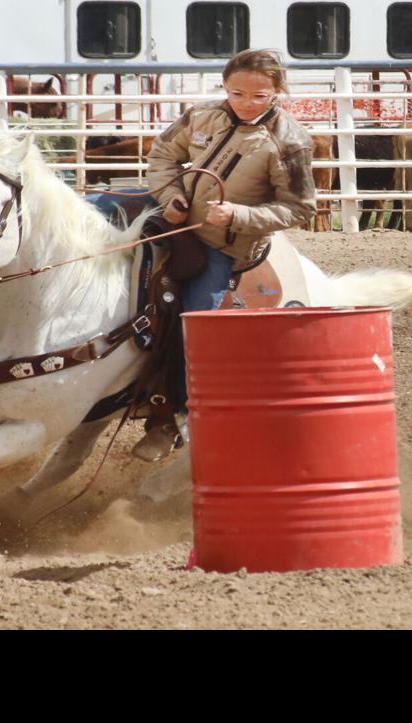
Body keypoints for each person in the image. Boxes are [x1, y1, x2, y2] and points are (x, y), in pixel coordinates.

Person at [129, 47, 319, 461]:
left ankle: (172, 416)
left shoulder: (289, 142)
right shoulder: (201, 116)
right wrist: (172, 194)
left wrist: (237, 215)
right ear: (225, 87)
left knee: (195, 322)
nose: (246, 103)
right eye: (237, 93)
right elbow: (163, 155)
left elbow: (301, 208)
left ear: (277, 93)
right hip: (171, 219)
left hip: (221, 245)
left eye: (258, 96)